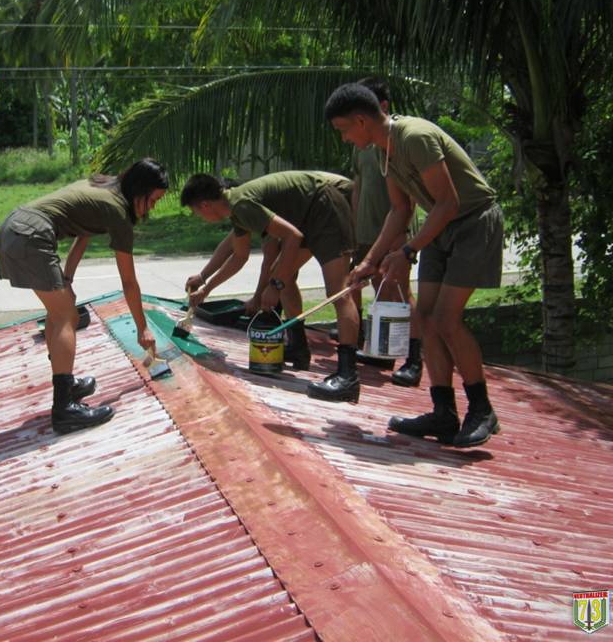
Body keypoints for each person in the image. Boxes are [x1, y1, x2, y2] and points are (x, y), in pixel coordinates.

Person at [325, 82, 504, 447]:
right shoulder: (381, 151)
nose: (344, 139)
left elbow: (449, 203)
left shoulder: (415, 137)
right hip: (441, 229)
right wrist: (369, 262)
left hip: (471, 223)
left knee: (445, 319)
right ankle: (443, 412)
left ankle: (482, 409)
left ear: (361, 120)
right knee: (424, 319)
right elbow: (400, 208)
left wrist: (406, 252)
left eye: (343, 130)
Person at [0, 158, 168, 434]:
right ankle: (64, 410)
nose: (152, 207)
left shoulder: (103, 186)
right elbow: (129, 282)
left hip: (14, 227)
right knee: (67, 315)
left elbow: (82, 234)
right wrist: (142, 326)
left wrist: (67, 278)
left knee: (61, 312)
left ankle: (66, 387)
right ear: (139, 190)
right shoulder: (117, 211)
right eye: (153, 200)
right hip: (32, 236)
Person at [181, 171, 363, 403]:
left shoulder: (241, 205)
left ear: (205, 205)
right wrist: (205, 287)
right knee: (284, 278)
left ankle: (348, 377)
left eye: (195, 212)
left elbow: (292, 237)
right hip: (307, 215)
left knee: (337, 293)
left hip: (325, 209)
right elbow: (239, 256)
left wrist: (273, 286)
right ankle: (298, 348)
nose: (198, 216)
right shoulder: (236, 209)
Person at [349, 78, 422, 386]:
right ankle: (381, 350)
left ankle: (414, 358)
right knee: (367, 287)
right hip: (366, 231)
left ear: (382, 107)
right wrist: (353, 227)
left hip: (395, 231)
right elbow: (358, 185)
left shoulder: (399, 140)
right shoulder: (364, 146)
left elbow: (411, 195)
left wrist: (402, 235)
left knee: (399, 292)